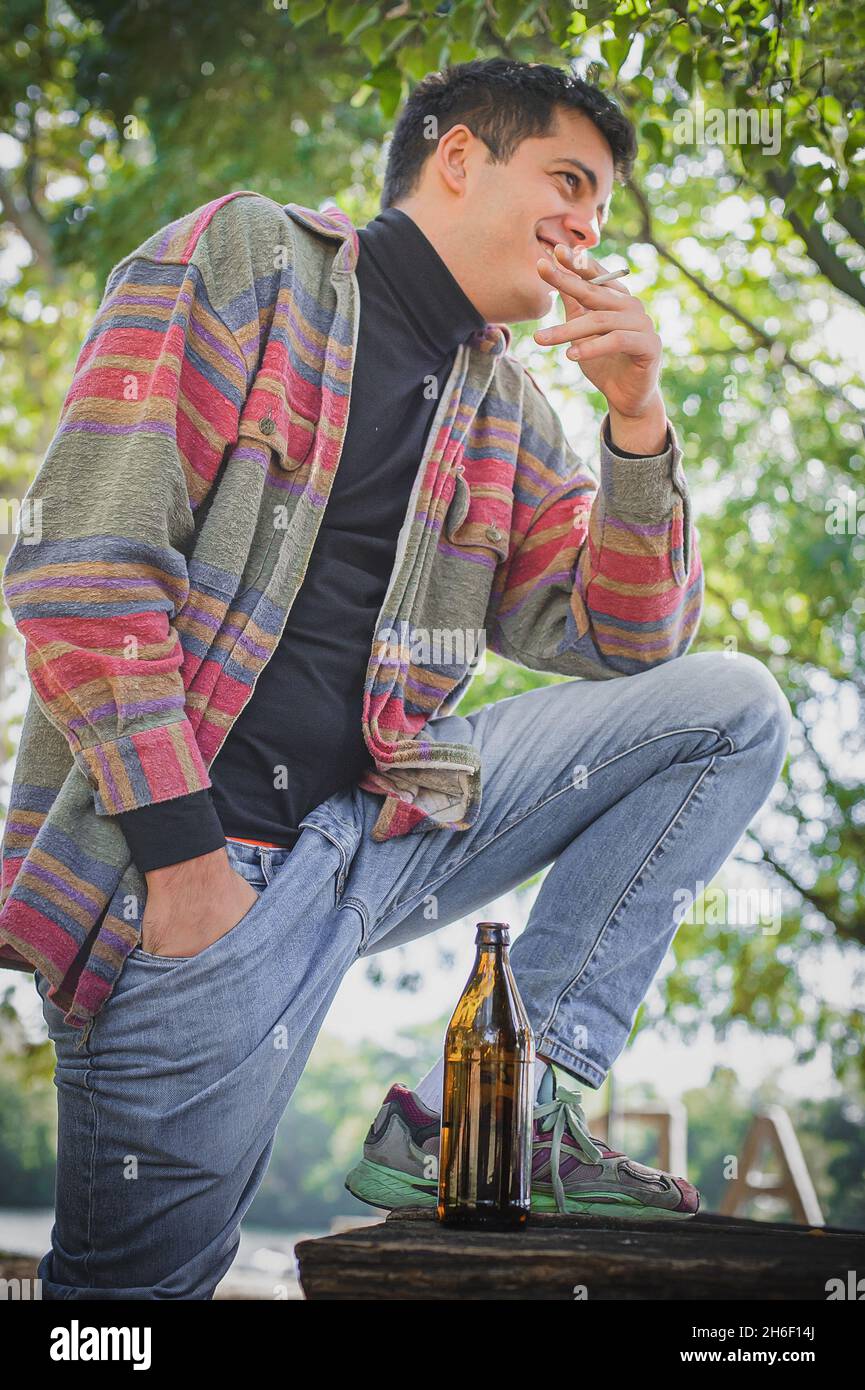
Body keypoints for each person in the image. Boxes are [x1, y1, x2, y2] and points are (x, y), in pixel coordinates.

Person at [0, 58, 791, 1298]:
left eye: (603, 208)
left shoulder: (510, 410)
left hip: (381, 825)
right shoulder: (248, 259)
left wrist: (635, 420)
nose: (589, 226)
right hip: (191, 876)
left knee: (728, 707)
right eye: (568, 182)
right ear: (460, 156)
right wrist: (185, 865)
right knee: (132, 1305)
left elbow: (628, 641)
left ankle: (507, 1110)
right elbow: (82, 571)